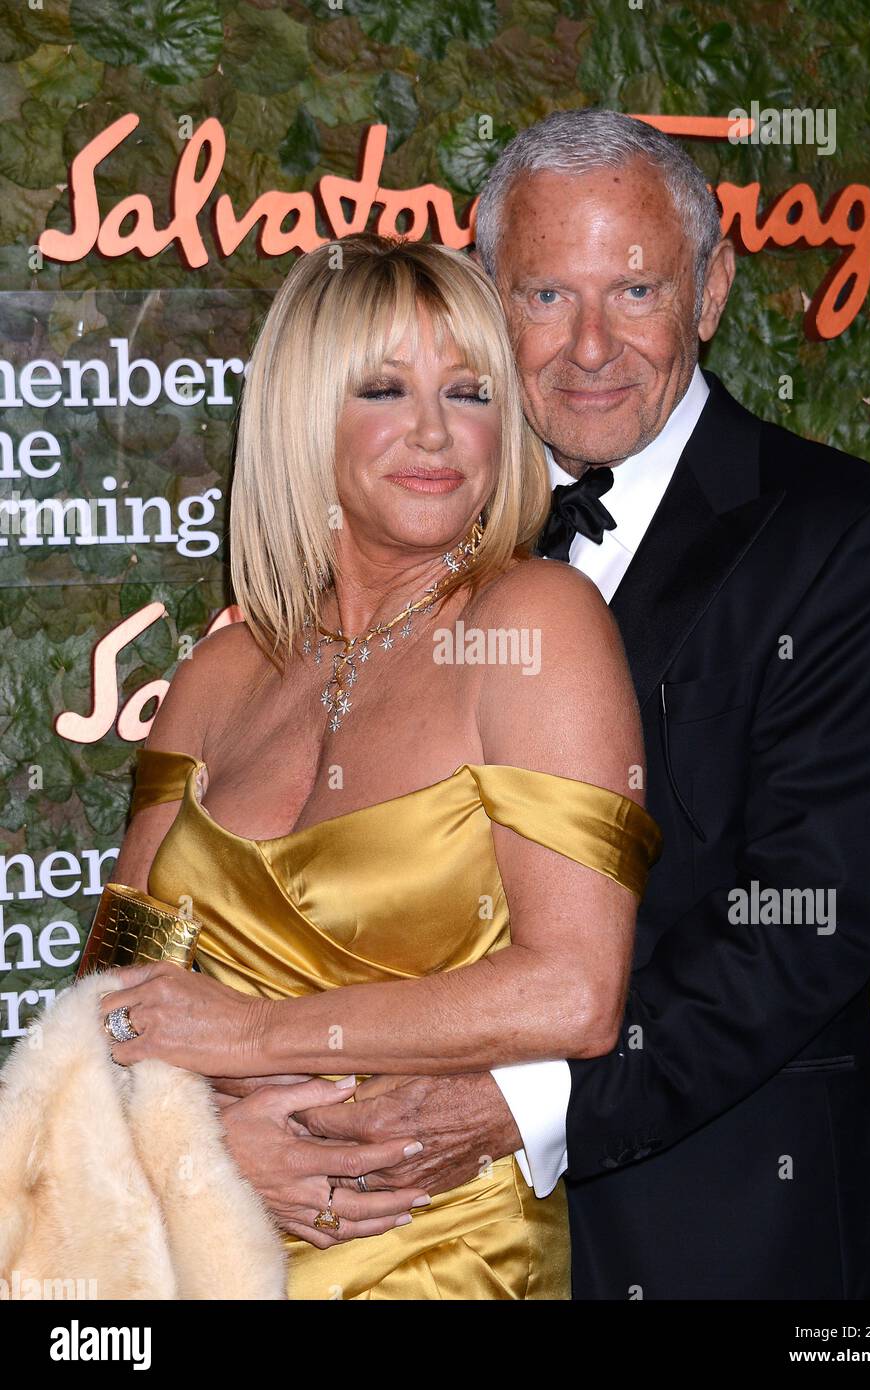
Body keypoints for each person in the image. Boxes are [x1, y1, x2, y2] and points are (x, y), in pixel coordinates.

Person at [292, 109, 870, 1300]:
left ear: (708, 291)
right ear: (487, 294)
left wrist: (518, 1105)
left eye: (635, 289)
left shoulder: (838, 534)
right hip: (429, 1246)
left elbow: (799, 922)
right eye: (543, 296)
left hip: (728, 1234)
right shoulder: (413, 534)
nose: (589, 347)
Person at [101, 232, 661, 1300]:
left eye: (468, 391)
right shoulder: (220, 672)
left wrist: (255, 1036)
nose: (436, 432)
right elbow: (114, 995)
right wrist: (202, 1147)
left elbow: (574, 991)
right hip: (209, 1255)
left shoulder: (535, 623)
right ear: (303, 414)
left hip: (438, 1260)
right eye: (383, 388)